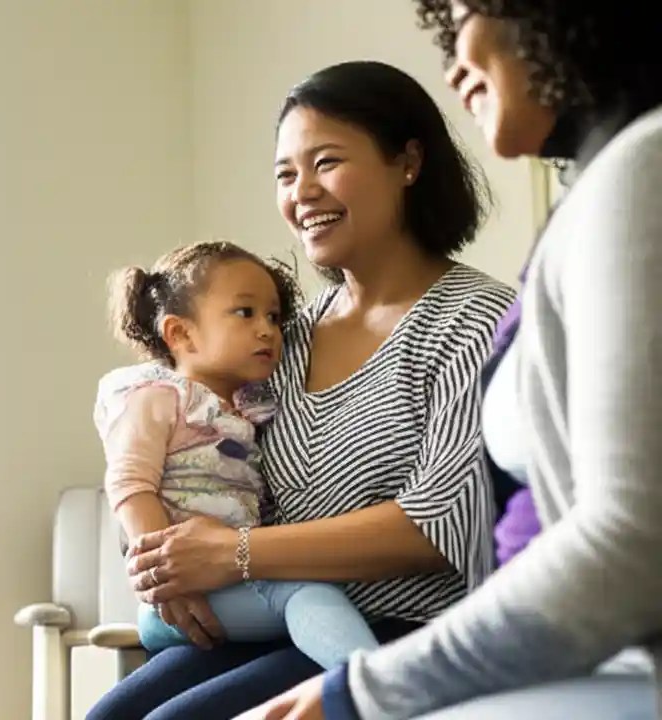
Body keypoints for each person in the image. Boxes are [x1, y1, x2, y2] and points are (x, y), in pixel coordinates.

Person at [244, 2, 662, 718]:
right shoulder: (600, 186)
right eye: (285, 172)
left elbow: (631, 542)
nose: (453, 64)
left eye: (465, 17)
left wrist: (357, 690)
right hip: (552, 646)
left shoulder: (640, 171)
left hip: (570, 647)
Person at [86, 60, 514, 720]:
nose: (301, 191)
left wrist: (235, 553)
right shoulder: (285, 333)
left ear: (408, 161)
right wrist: (162, 560)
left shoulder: (476, 320)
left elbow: (442, 522)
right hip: (272, 613)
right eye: (286, 174)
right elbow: (186, 443)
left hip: (409, 629)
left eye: (326, 162)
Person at [95, 240, 379, 669]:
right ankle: (387, 693)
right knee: (309, 594)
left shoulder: (249, 407)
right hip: (180, 599)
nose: (267, 329)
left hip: (229, 579)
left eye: (274, 317)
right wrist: (170, 582)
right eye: (245, 313)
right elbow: (129, 485)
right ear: (181, 333)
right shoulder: (156, 397)